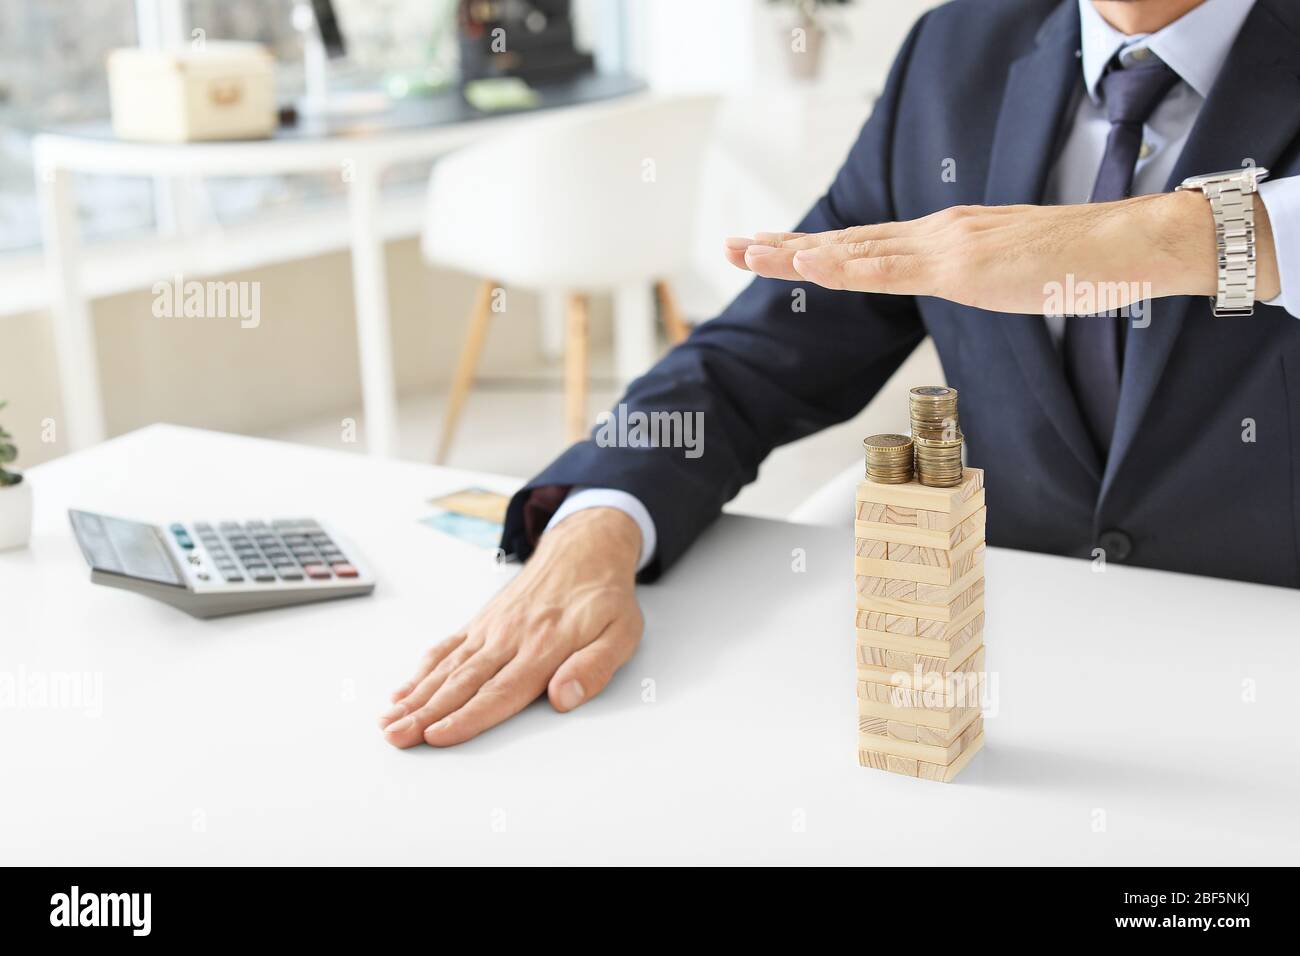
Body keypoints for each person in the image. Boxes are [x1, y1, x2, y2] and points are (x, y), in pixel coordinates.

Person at [379, 0, 1300, 748]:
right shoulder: (957, 52)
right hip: (1008, 692)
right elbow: (761, 355)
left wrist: (1164, 238)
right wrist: (600, 522)